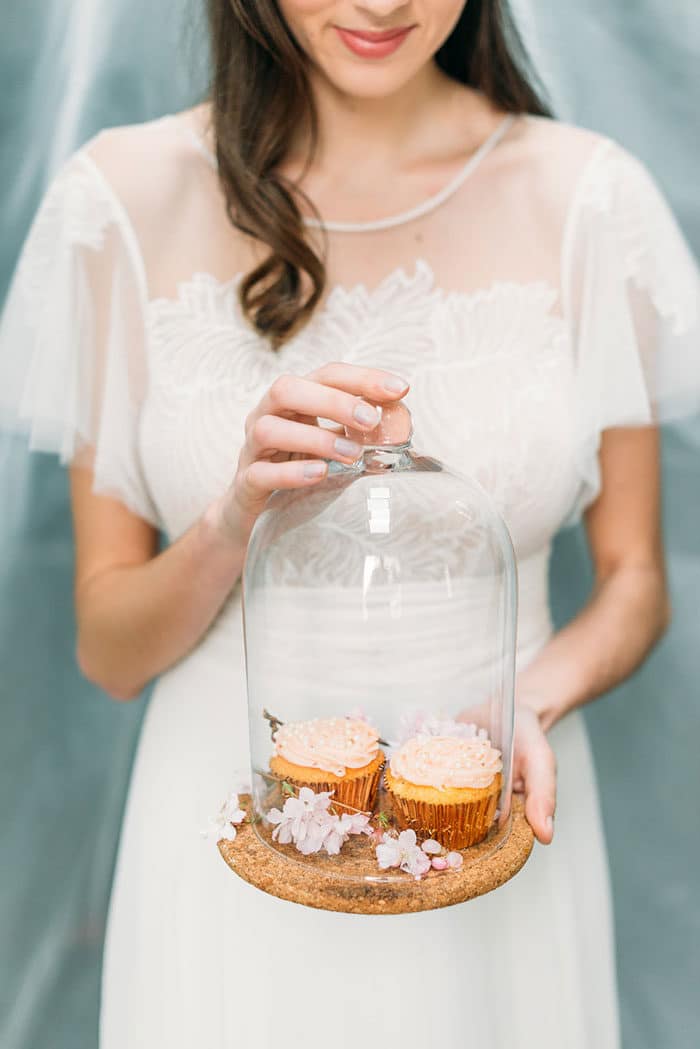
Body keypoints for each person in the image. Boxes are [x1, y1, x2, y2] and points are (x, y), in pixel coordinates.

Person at [1, 1, 699, 1046]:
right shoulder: (121, 198)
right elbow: (108, 651)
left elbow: (637, 577)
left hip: (497, 812)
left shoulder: (586, 194)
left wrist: (528, 705)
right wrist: (236, 513)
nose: (382, 4)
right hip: (222, 840)